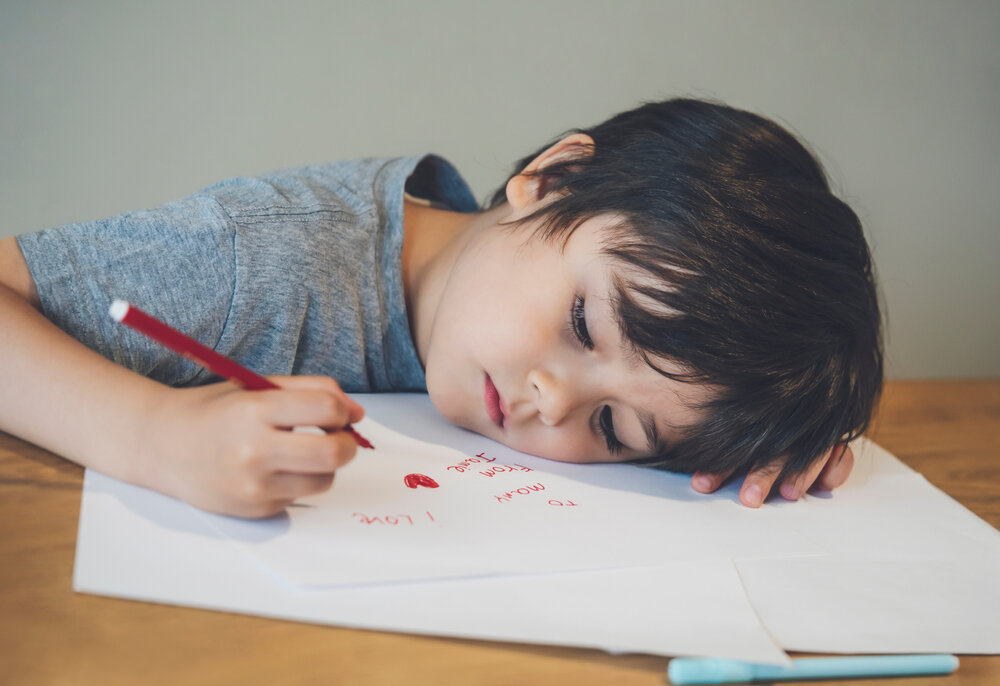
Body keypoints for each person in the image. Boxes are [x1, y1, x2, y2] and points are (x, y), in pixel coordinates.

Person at [0, 98, 882, 518]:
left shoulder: (478, 288)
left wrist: (772, 442)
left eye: (615, 430)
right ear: (553, 178)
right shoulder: (257, 261)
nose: (552, 400)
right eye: (583, 326)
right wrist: (153, 436)